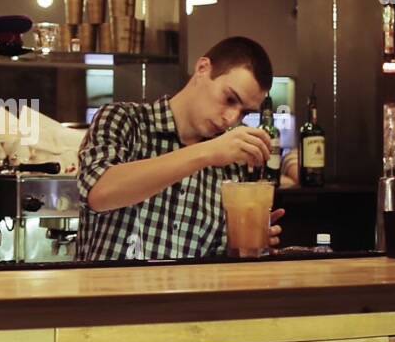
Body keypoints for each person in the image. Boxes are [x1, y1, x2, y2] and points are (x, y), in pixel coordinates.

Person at [76, 36, 285, 261]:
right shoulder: (123, 119)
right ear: (202, 68)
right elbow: (99, 193)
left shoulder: (232, 160)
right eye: (230, 99)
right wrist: (207, 153)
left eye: (244, 112)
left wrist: (248, 240)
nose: (232, 119)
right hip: (110, 293)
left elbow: (218, 260)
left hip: (189, 295)